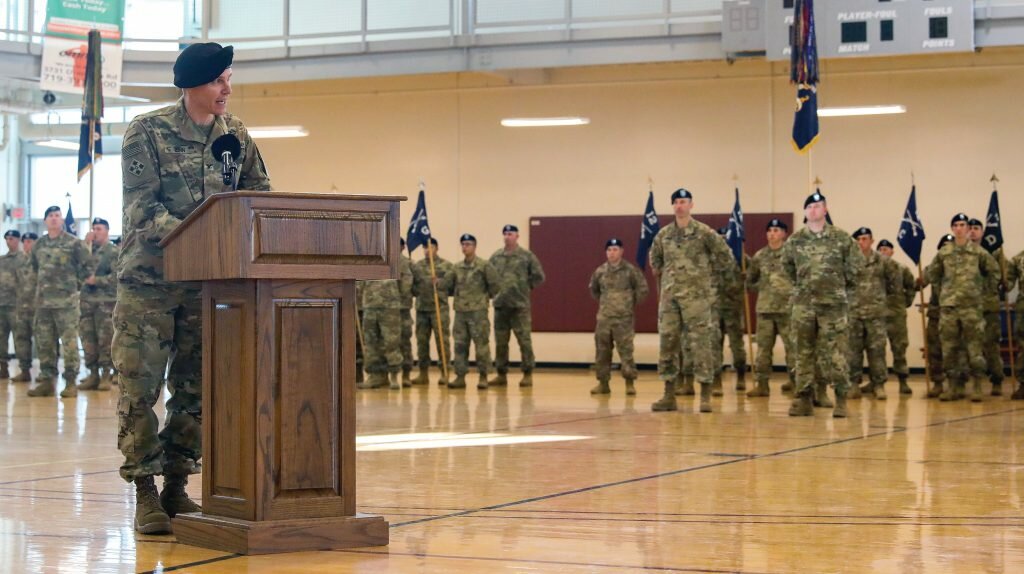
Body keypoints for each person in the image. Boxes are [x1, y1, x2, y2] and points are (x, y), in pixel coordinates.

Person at [111, 42, 272, 535]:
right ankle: (144, 491)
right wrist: (203, 240)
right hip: (149, 286)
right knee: (139, 391)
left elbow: (258, 196)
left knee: (195, 391)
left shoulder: (236, 135)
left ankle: (178, 486)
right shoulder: (147, 131)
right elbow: (142, 211)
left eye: (229, 78)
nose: (227, 88)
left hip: (208, 287)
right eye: (218, 80)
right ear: (192, 86)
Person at [649, 188, 733, 413]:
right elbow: (655, 259)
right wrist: (667, 279)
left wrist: (705, 277)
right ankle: (669, 394)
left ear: (691, 205)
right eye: (676, 202)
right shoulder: (664, 234)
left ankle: (705, 394)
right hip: (670, 300)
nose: (679, 206)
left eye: (683, 201)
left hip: (697, 300)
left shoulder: (704, 233)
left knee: (701, 345)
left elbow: (726, 257)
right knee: (668, 343)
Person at [782, 192, 863, 418]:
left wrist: (839, 288)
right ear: (805, 212)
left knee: (835, 353)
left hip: (833, 306)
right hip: (804, 305)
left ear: (825, 210)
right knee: (803, 353)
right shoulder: (795, 240)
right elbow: (787, 268)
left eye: (818, 206)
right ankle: (805, 398)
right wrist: (803, 288)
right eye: (810, 207)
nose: (814, 210)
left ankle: (840, 399)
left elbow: (856, 267)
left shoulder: (842, 238)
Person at [927, 213, 1000, 402]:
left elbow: (994, 272)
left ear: (968, 229)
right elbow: (933, 274)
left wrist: (983, 293)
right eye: (956, 225)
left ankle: (977, 386)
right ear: (952, 228)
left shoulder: (978, 252)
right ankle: (953, 387)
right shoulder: (944, 253)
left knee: (974, 349)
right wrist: (943, 292)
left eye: (962, 224)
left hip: (971, 308)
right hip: (949, 308)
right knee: (950, 349)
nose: (959, 228)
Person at [26, 206, 93, 398]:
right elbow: (33, 269)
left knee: (69, 343)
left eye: (57, 216)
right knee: (44, 343)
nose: (54, 219)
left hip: (67, 304)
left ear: (62, 220)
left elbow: (87, 267)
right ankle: (47, 381)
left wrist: (74, 286)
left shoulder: (73, 243)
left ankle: (70, 382)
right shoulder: (39, 245)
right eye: (50, 216)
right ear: (45, 221)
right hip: (44, 304)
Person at [588, 238, 648, 396]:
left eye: (615, 249)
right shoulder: (600, 271)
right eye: (609, 250)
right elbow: (594, 290)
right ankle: (603, 383)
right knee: (602, 352)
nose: (612, 253)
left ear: (621, 251)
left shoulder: (630, 270)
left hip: (624, 319)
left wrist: (628, 304)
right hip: (604, 319)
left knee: (626, 352)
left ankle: (629, 383)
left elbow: (642, 289)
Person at [489, 224, 546, 388]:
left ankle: (527, 373)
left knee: (524, 341)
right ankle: (501, 374)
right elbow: (490, 277)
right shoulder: (496, 257)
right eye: (505, 233)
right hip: (501, 305)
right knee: (501, 343)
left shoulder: (527, 256)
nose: (507, 236)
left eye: (510, 233)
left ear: (517, 236)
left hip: (519, 306)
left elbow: (539, 276)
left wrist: (525, 287)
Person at [845, 227, 897, 402]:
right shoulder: (848, 262)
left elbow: (894, 284)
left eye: (865, 239)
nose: (861, 242)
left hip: (875, 315)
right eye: (858, 239)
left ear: (872, 240)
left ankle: (879, 385)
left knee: (877, 351)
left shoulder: (883, 261)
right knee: (853, 351)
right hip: (854, 314)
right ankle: (853, 383)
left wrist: (883, 302)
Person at [745, 219, 795, 397]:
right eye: (770, 231)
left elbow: (801, 279)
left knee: (793, 348)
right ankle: (762, 385)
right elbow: (749, 282)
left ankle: (795, 381)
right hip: (765, 310)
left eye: (776, 230)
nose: (772, 233)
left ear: (784, 234)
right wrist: (765, 286)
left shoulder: (791, 255)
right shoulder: (759, 256)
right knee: (763, 350)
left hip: (787, 311)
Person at [452, 234, 499, 389]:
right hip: (460, 313)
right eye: (463, 244)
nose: (465, 247)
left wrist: (482, 300)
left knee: (481, 346)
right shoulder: (456, 267)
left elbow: (495, 287)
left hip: (478, 313)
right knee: (460, 345)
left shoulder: (484, 266)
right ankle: (460, 376)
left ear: (475, 246)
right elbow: (447, 286)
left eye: (468, 244)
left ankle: (483, 376)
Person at [359, 257, 413, 390]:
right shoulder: (367, 260)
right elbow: (359, 281)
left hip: (390, 306)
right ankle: (376, 376)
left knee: (391, 341)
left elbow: (406, 280)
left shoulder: (397, 259)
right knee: (371, 342)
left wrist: (395, 296)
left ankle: (394, 375)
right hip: (370, 305)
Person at [79, 218, 119, 391]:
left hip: (105, 303)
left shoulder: (113, 251)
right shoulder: (87, 251)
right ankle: (93, 374)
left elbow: (117, 276)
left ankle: (105, 375)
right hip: (87, 303)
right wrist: (83, 244)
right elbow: (77, 268)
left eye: (99, 228)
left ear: (107, 231)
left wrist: (98, 280)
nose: (96, 231)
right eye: (94, 228)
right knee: (88, 339)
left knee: (105, 340)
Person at [969, 218, 1007, 395]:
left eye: (976, 228)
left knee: (991, 346)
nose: (972, 231)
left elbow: (1002, 275)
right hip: (968, 306)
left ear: (982, 232)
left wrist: (1004, 284)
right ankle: (975, 382)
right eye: (970, 228)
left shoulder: (995, 251)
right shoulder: (961, 252)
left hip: (988, 305)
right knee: (971, 347)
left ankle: (997, 380)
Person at [411, 238, 455, 386]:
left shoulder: (446, 266)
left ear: (437, 248)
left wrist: (440, 283)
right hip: (422, 309)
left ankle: (445, 372)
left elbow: (452, 286)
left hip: (439, 309)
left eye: (430, 247)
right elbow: (413, 287)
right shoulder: (417, 267)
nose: (427, 250)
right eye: (424, 248)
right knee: (422, 342)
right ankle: (423, 373)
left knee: (442, 341)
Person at [876, 239, 918, 395]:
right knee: (877, 351)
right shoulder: (873, 269)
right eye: (880, 249)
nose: (883, 252)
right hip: (878, 316)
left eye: (886, 249)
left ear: (892, 252)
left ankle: (903, 381)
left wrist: (906, 302)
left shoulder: (901, 269)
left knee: (899, 349)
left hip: (896, 315)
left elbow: (911, 286)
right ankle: (877, 383)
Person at [11, 233, 37, 383]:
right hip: (21, 307)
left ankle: (47, 374)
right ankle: (24, 370)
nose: (27, 244)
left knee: (43, 341)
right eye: (25, 242)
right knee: (21, 339)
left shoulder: (40, 260)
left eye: (30, 241)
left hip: (37, 307)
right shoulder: (18, 261)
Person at [0, 230, 24, 380]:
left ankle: (24, 369)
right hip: (2, 304)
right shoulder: (2, 260)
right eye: (7, 239)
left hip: (17, 305)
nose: (9, 241)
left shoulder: (24, 259)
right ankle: (3, 367)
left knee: (20, 338)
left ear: (18, 240)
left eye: (12, 239)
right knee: (1, 338)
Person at [398, 238, 415, 386]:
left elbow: (408, 285)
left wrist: (397, 298)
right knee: (385, 343)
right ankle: (383, 375)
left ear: (403, 247)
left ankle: (406, 374)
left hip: (401, 308)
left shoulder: (406, 263)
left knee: (404, 341)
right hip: (385, 308)